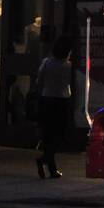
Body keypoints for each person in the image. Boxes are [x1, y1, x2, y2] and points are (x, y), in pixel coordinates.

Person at [34, 34, 75, 179]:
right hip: (62, 101)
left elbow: (39, 81)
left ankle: (51, 168)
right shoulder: (69, 67)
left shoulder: (46, 63)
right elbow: (72, 84)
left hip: (46, 100)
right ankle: (45, 160)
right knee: (60, 134)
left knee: (49, 134)